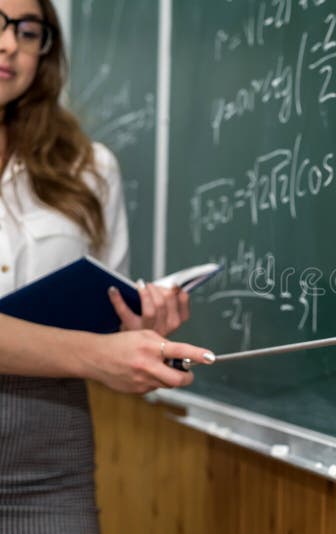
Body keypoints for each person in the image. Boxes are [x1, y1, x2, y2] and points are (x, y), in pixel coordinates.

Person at [0, 0, 213, 531]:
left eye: (29, 31)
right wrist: (97, 354)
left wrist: (135, 330)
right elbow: (92, 351)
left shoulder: (89, 167)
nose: (10, 43)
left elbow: (104, 310)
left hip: (52, 459)